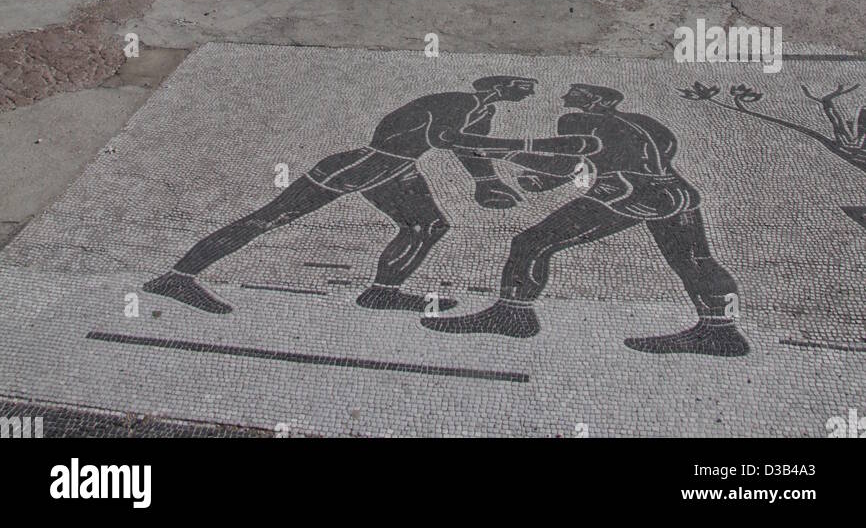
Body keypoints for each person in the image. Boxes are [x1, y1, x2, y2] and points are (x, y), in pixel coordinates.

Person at [144, 76, 537, 315]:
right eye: (524, 85)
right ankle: (177, 277)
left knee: (429, 226)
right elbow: (445, 139)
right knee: (272, 218)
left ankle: (383, 293)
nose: (530, 90)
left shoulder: (483, 112)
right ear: (499, 85)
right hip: (363, 164)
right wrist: (521, 146)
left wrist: (485, 182)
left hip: (397, 168)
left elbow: (470, 149)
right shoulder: (460, 101)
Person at [422, 83, 749, 356]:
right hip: (674, 189)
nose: (566, 96)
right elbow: (617, 156)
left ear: (594, 100)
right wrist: (552, 181)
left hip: (626, 193)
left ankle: (512, 315)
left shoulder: (576, 121)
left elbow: (568, 160)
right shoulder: (646, 122)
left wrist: (491, 148)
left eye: (575, 92)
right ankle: (722, 332)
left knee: (531, 243)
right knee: (696, 259)